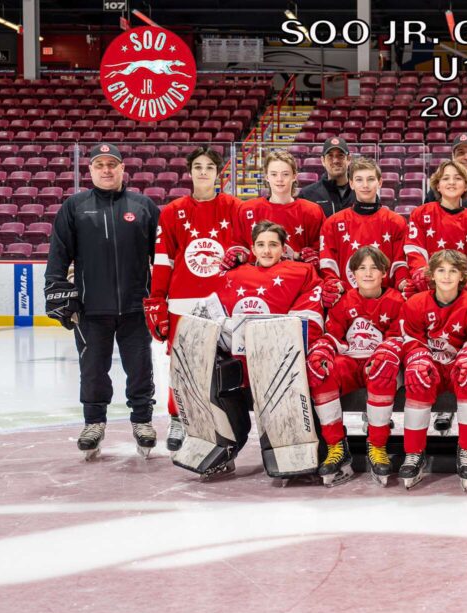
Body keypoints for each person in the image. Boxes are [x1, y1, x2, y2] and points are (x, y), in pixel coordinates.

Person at [44, 142, 160, 460]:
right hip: (90, 309)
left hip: (136, 307)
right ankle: (93, 422)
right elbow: (58, 255)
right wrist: (58, 294)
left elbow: (161, 258)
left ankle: (142, 421)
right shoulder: (75, 207)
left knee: (140, 368)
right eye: (100, 165)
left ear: (123, 169)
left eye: (112, 164)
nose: (106, 170)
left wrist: (161, 298)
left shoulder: (144, 206)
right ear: (90, 170)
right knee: (93, 369)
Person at [145, 146, 242, 454]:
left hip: (223, 302)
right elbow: (163, 261)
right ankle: (178, 417)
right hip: (183, 302)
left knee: (224, 364)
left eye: (209, 167)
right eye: (198, 166)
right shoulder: (172, 212)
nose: (203, 172)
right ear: (190, 172)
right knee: (181, 364)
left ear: (218, 173)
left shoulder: (235, 207)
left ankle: (221, 420)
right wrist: (157, 300)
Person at [212, 220, 324, 477]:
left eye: (273, 245)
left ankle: (294, 452)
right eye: (261, 245)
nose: (266, 251)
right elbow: (217, 315)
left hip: (282, 360)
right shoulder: (233, 275)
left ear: (283, 248)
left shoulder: (301, 272)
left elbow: (311, 318)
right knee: (214, 371)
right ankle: (225, 446)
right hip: (242, 361)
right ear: (252, 248)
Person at [306, 246, 405, 487]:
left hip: (381, 362)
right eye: (362, 268)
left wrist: (384, 355)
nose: (368, 273)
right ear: (353, 273)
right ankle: (336, 447)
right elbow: (333, 336)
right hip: (351, 359)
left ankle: (378, 446)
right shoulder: (345, 300)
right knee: (322, 372)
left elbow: (399, 338)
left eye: (374, 268)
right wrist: (322, 351)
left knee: (383, 370)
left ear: (384, 273)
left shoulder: (396, 300)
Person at [397, 249, 467, 491]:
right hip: (432, 366)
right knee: (417, 376)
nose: (447, 276)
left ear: (462, 276)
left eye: (453, 271)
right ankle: (414, 453)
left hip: (459, 366)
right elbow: (411, 340)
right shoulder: (416, 303)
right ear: (432, 274)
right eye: (441, 270)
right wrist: (419, 359)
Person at [318, 157, 409, 307]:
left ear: (380, 182)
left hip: (386, 304)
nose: (365, 185)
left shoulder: (396, 222)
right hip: (346, 303)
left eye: (371, 179)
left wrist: (403, 283)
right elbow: (328, 263)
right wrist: (333, 284)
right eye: (359, 180)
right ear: (351, 184)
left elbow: (400, 264)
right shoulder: (333, 223)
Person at [224, 150, 325, 271]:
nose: (279, 179)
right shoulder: (247, 209)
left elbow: (322, 250)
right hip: (256, 282)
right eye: (274, 174)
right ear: (266, 176)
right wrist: (237, 255)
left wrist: (314, 257)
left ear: (294, 176)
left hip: (297, 281)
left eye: (285, 174)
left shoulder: (312, 211)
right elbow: (238, 244)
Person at [404, 159, 467, 298]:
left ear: (466, 186)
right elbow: (414, 251)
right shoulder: (421, 213)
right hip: (428, 290)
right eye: (445, 178)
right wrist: (425, 277)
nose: (451, 182)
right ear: (438, 186)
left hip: (462, 293)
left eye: (457, 178)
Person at [298, 136, 354, 216]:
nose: (335, 161)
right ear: (323, 161)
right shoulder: (307, 194)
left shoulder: (360, 191)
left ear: (348, 159)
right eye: (330, 156)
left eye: (340, 155)